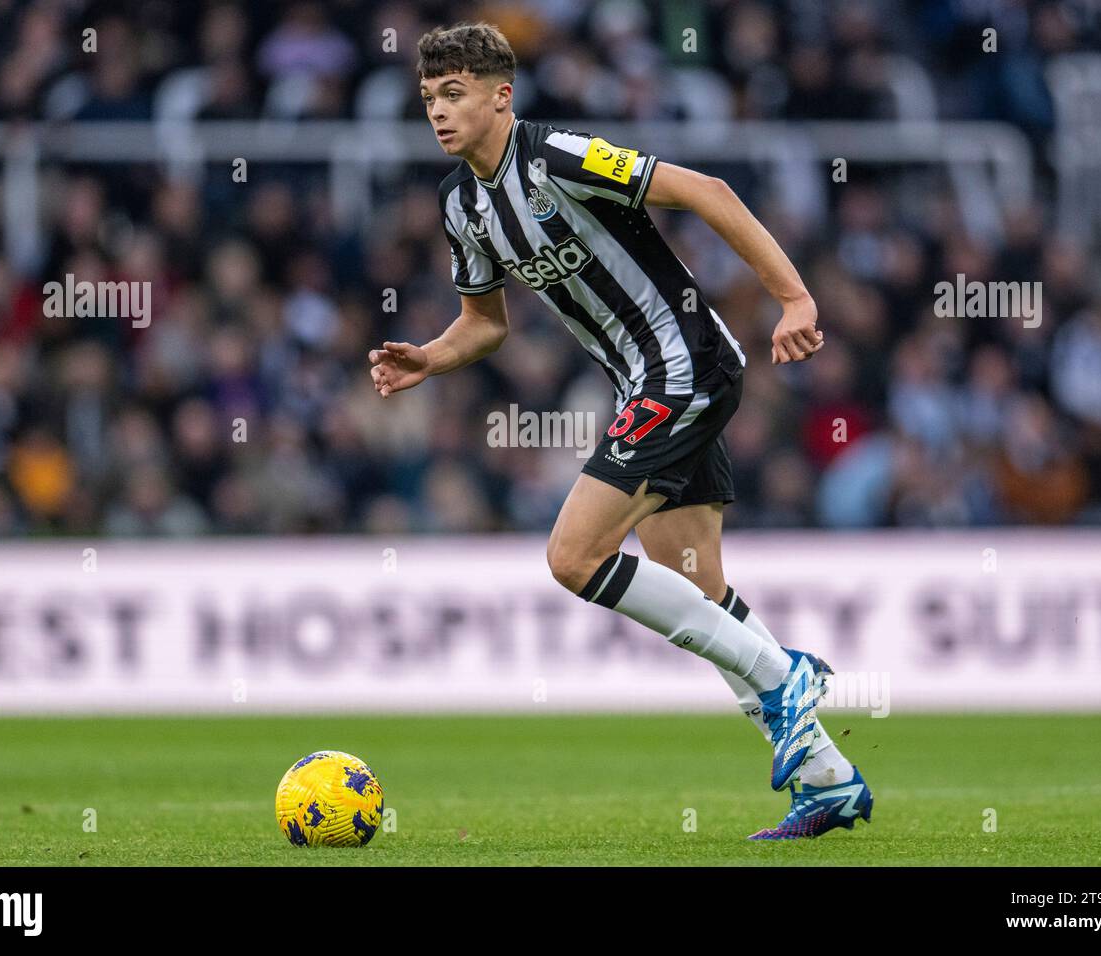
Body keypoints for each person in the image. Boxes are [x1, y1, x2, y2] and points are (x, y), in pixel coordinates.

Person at [368, 22, 871, 839]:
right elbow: (483, 324)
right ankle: (827, 778)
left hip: (687, 366)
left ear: (502, 96)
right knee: (698, 590)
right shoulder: (461, 204)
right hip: (645, 383)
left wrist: (796, 299)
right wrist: (429, 356)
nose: (438, 112)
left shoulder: (558, 154)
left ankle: (784, 677)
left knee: (572, 556)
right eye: (428, 98)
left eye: (454, 94)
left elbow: (708, 190)